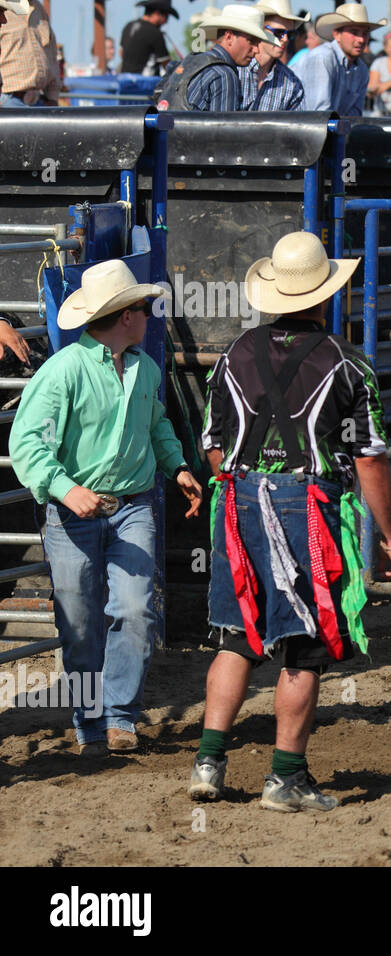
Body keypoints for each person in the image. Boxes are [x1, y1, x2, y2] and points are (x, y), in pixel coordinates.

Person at [191, 232, 391, 811]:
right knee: (304, 646)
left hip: (237, 504)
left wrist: (243, 487)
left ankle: (209, 762)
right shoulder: (349, 364)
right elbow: (369, 457)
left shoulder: (233, 354)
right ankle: (285, 777)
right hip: (307, 507)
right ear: (326, 294)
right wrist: (387, 533)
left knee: (236, 637)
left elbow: (212, 444)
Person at [9, 260, 203, 756]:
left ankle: (118, 715)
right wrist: (64, 488)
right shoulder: (63, 371)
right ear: (124, 316)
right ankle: (89, 718)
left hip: (132, 505)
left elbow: (155, 423)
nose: (148, 315)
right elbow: (27, 442)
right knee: (78, 623)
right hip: (74, 512)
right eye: (143, 307)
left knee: (135, 608)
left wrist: (176, 465)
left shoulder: (144, 368)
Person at [157, 4, 277, 112]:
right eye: (251, 41)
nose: (256, 50)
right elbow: (222, 133)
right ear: (229, 37)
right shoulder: (224, 75)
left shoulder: (190, 61)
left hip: (166, 133)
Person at [294, 2, 384, 115]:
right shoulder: (322, 58)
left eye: (365, 33)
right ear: (337, 34)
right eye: (354, 32)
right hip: (296, 129)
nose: (361, 39)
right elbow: (318, 115)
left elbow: (354, 116)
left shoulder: (362, 70)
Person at [239, 0, 305, 110]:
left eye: (290, 34)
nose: (285, 39)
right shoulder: (233, 70)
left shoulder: (292, 84)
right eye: (279, 33)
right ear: (259, 30)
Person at [0, 0, 59, 107]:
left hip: (38, 100)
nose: (3, 20)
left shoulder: (38, 9)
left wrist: (52, 97)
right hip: (8, 98)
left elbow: (52, 55)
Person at [120, 0, 176, 76]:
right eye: (166, 17)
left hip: (125, 80)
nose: (165, 22)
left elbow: (121, 52)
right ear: (157, 13)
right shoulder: (155, 33)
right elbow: (167, 65)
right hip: (144, 83)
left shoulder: (128, 26)